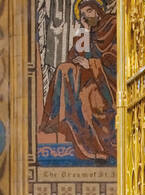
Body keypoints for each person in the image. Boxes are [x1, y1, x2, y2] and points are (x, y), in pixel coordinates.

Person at [39, 0, 116, 162]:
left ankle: (95, 148)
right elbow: (75, 56)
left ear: (98, 10)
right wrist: (86, 31)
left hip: (108, 83)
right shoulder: (87, 31)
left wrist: (92, 64)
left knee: (86, 95)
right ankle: (59, 117)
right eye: (82, 14)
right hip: (90, 77)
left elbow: (116, 59)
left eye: (89, 11)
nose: (86, 16)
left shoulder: (112, 24)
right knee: (64, 69)